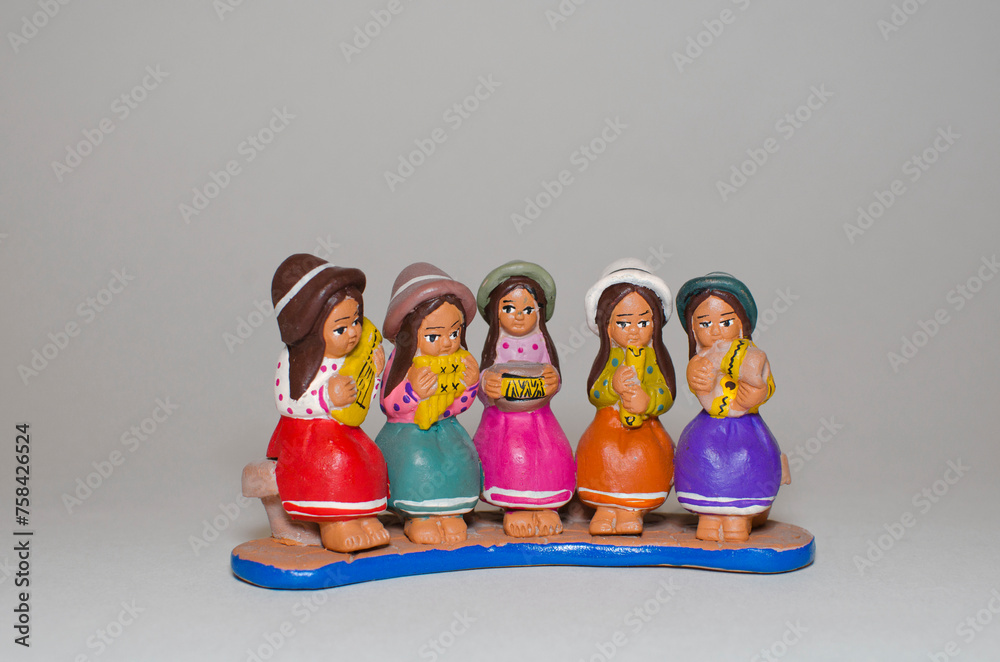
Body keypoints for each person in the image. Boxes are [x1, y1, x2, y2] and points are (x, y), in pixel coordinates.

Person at [260, 254, 389, 553]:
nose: (354, 332)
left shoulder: (352, 357)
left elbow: (362, 401)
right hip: (307, 437)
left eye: (356, 321)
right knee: (336, 463)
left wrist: (376, 374)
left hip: (344, 431)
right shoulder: (293, 361)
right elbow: (287, 402)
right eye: (341, 328)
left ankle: (364, 515)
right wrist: (326, 398)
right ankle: (335, 523)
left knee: (369, 459)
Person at [673, 272, 790, 542]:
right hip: (708, 430)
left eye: (725, 322)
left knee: (745, 464)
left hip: (746, 430)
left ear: (742, 325)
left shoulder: (752, 356)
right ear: (693, 330)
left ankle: (739, 517)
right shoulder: (700, 360)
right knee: (706, 465)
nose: (715, 331)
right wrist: (698, 377)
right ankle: (709, 516)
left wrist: (757, 393)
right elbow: (699, 385)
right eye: (705, 324)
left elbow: (766, 385)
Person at [375, 262, 482, 545]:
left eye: (454, 333)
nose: (447, 343)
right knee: (418, 464)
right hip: (409, 434)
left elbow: (458, 406)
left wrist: (469, 385)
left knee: (459, 460)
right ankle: (418, 516)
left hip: (446, 429)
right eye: (434, 336)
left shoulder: (457, 360)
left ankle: (451, 513)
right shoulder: (402, 363)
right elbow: (388, 404)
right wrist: (412, 391)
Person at [473, 260, 575, 538]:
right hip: (503, 420)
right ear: (496, 312)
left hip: (539, 418)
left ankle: (545, 505)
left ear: (539, 313)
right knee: (510, 457)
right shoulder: (495, 343)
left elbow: (552, 372)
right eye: (508, 308)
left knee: (548, 455)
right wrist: (486, 383)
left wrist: (553, 380)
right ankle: (515, 507)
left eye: (527, 309)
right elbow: (479, 383)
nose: (518, 316)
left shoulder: (540, 341)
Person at [576, 258, 676, 535]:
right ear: (607, 326)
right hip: (608, 425)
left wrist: (648, 401)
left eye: (643, 322)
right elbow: (595, 393)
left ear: (655, 324)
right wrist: (611, 386)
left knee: (641, 461)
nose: (634, 330)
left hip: (644, 427)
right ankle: (605, 508)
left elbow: (666, 392)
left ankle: (632, 511)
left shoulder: (654, 359)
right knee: (603, 456)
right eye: (623, 322)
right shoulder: (610, 358)